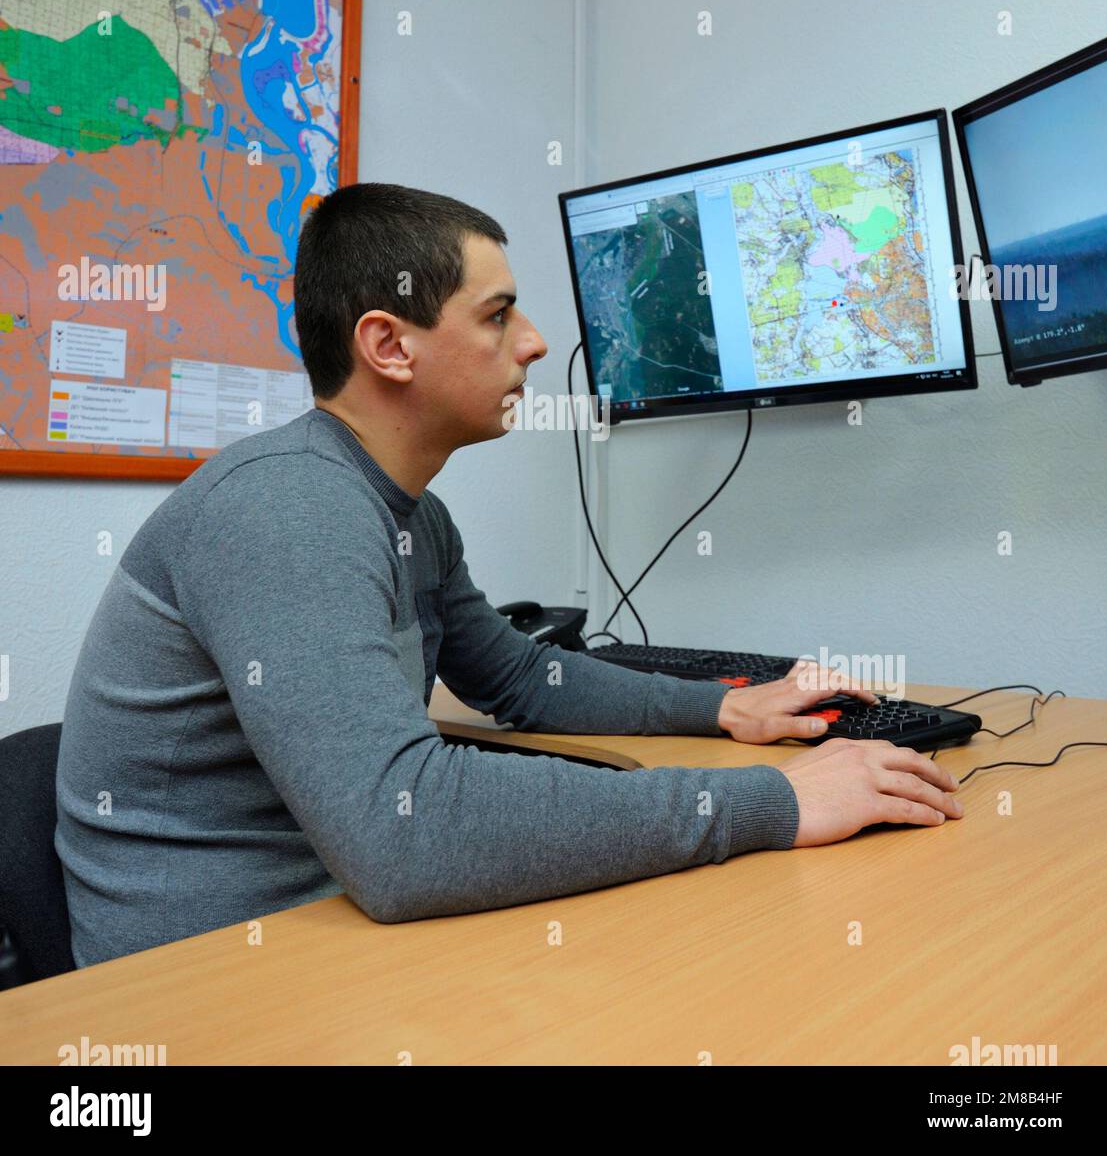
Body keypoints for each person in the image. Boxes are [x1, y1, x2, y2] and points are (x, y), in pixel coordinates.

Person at [55, 182, 962, 967]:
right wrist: (773, 802)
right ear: (390, 345)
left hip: (333, 905)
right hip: (212, 975)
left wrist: (726, 709)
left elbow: (523, 675)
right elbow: (399, 831)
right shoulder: (289, 507)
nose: (532, 344)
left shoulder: (408, 514)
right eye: (497, 315)